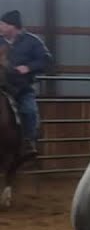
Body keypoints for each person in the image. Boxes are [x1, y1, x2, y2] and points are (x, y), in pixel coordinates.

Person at [1, 9, 53, 159]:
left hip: (21, 89)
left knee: (29, 111)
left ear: (12, 26)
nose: (0, 27)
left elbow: (47, 60)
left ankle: (28, 143)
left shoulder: (32, 41)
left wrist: (29, 67)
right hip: (2, 87)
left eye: (2, 24)